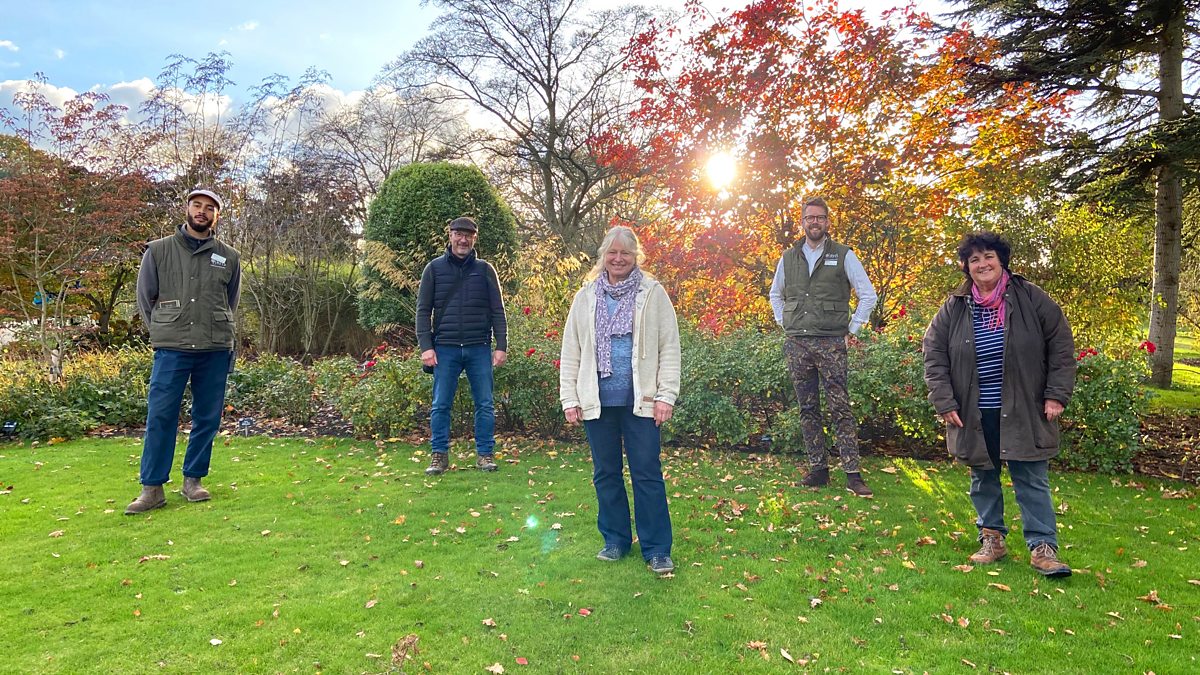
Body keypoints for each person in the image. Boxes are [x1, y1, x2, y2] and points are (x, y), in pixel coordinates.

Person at [922, 232, 1076, 577]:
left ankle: (1043, 548)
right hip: (975, 410)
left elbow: (1061, 346)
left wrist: (1056, 394)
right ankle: (992, 539)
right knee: (983, 476)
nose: (982, 264)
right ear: (966, 267)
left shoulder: (1030, 297)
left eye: (988, 256)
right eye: (974, 259)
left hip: (1025, 406)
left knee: (1031, 477)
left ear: (1001, 260)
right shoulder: (956, 305)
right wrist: (944, 400)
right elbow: (933, 353)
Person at [559, 226, 681, 575]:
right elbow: (572, 350)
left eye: (625, 253)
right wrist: (570, 397)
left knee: (647, 473)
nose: (618, 258)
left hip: (641, 401)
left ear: (635, 256)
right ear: (603, 256)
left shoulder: (652, 293)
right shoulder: (585, 297)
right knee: (606, 473)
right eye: (612, 253)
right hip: (598, 400)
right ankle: (615, 540)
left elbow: (669, 347)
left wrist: (665, 395)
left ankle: (657, 549)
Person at [126, 188, 241, 515]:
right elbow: (145, 298)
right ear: (187, 209)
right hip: (172, 349)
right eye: (197, 205)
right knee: (160, 415)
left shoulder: (229, 257)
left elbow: (229, 302)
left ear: (217, 216)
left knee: (207, 417)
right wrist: (166, 328)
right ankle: (152, 488)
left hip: (215, 348)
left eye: (209, 208)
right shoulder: (158, 251)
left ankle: (193, 481)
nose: (202, 212)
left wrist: (213, 327)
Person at [768, 197, 878, 496]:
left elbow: (868, 295)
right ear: (802, 222)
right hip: (797, 343)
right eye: (809, 218)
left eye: (819, 218)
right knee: (807, 408)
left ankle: (853, 474)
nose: (814, 222)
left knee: (840, 407)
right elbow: (775, 295)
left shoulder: (844, 255)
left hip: (831, 342)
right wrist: (785, 322)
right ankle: (818, 470)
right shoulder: (788, 258)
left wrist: (851, 330)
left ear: (828, 222)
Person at [416, 216, 508, 475]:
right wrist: (426, 346)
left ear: (474, 238)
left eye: (468, 235)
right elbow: (423, 312)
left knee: (485, 404)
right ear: (450, 235)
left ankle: (485, 455)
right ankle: (439, 456)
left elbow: (497, 311)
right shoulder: (433, 270)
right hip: (444, 348)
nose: (463, 239)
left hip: (479, 347)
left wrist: (501, 345)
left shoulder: (485, 270)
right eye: (459, 234)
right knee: (440, 404)